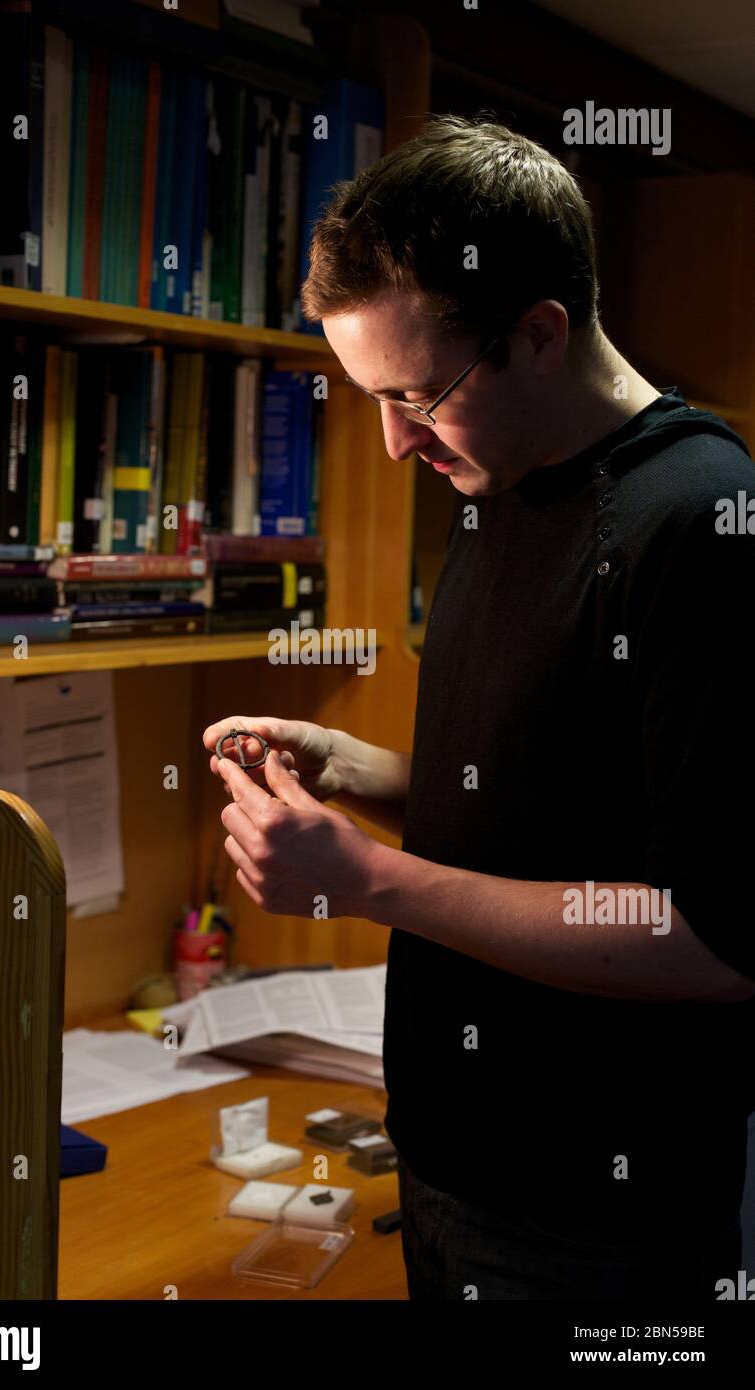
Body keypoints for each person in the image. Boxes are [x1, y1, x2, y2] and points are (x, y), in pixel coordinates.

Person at [203, 117, 755, 1300]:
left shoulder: (699, 526)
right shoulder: (496, 473)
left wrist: (367, 882)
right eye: (372, 399)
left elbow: (716, 937)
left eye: (417, 395)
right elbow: (556, 806)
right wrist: (360, 768)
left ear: (540, 332)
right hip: (448, 1167)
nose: (396, 441)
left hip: (594, 1218)